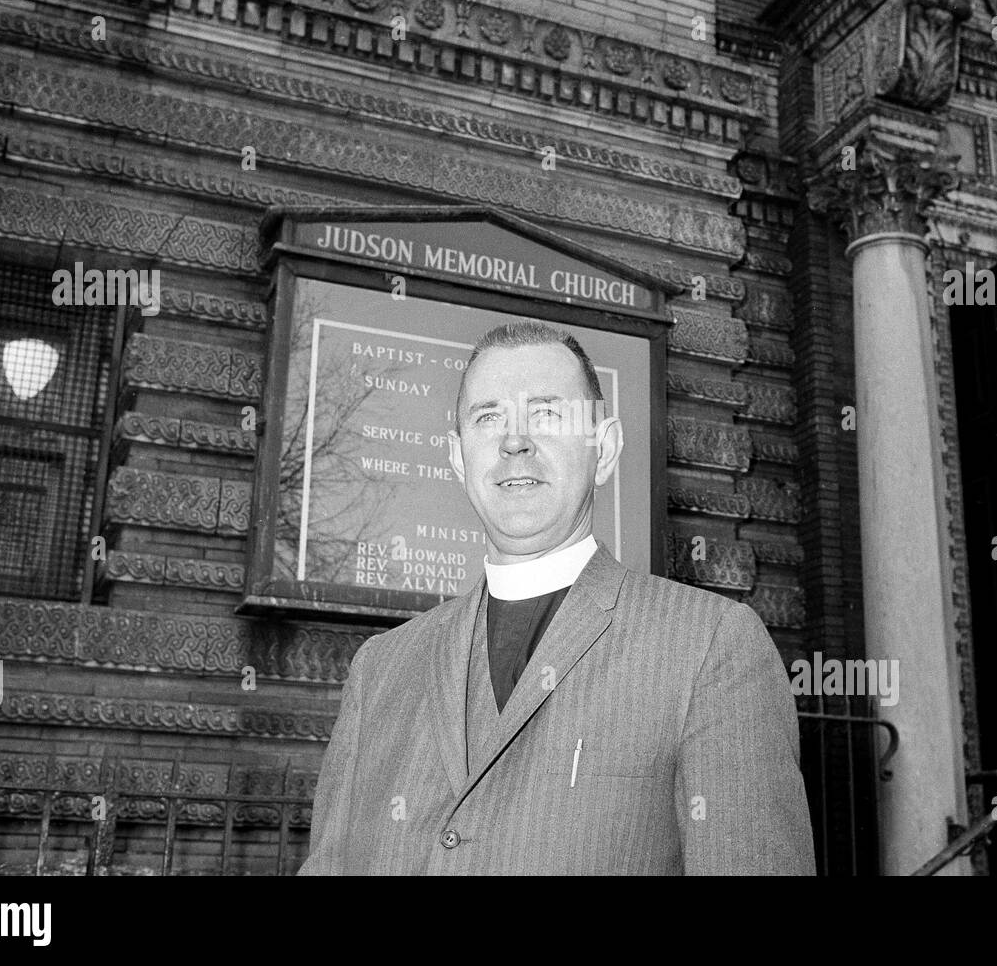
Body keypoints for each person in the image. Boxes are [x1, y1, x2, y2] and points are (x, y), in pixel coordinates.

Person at [300, 319, 815, 874]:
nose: (514, 439)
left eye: (547, 414)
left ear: (605, 449)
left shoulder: (710, 647)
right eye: (488, 417)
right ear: (457, 458)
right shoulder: (380, 671)